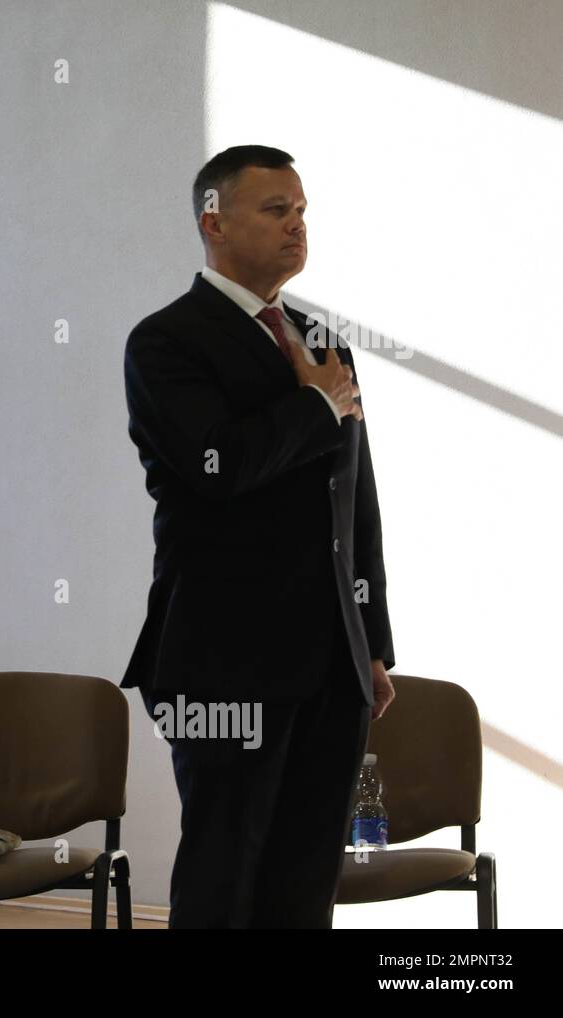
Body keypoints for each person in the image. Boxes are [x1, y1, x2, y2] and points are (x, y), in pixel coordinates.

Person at [121, 146, 396, 928]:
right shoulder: (166, 342)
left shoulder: (321, 335)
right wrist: (313, 408)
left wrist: (371, 640)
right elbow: (219, 468)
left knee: (305, 881)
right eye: (275, 210)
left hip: (331, 663)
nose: (295, 226)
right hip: (224, 662)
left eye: (301, 210)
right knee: (223, 874)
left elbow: (356, 503)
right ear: (213, 220)